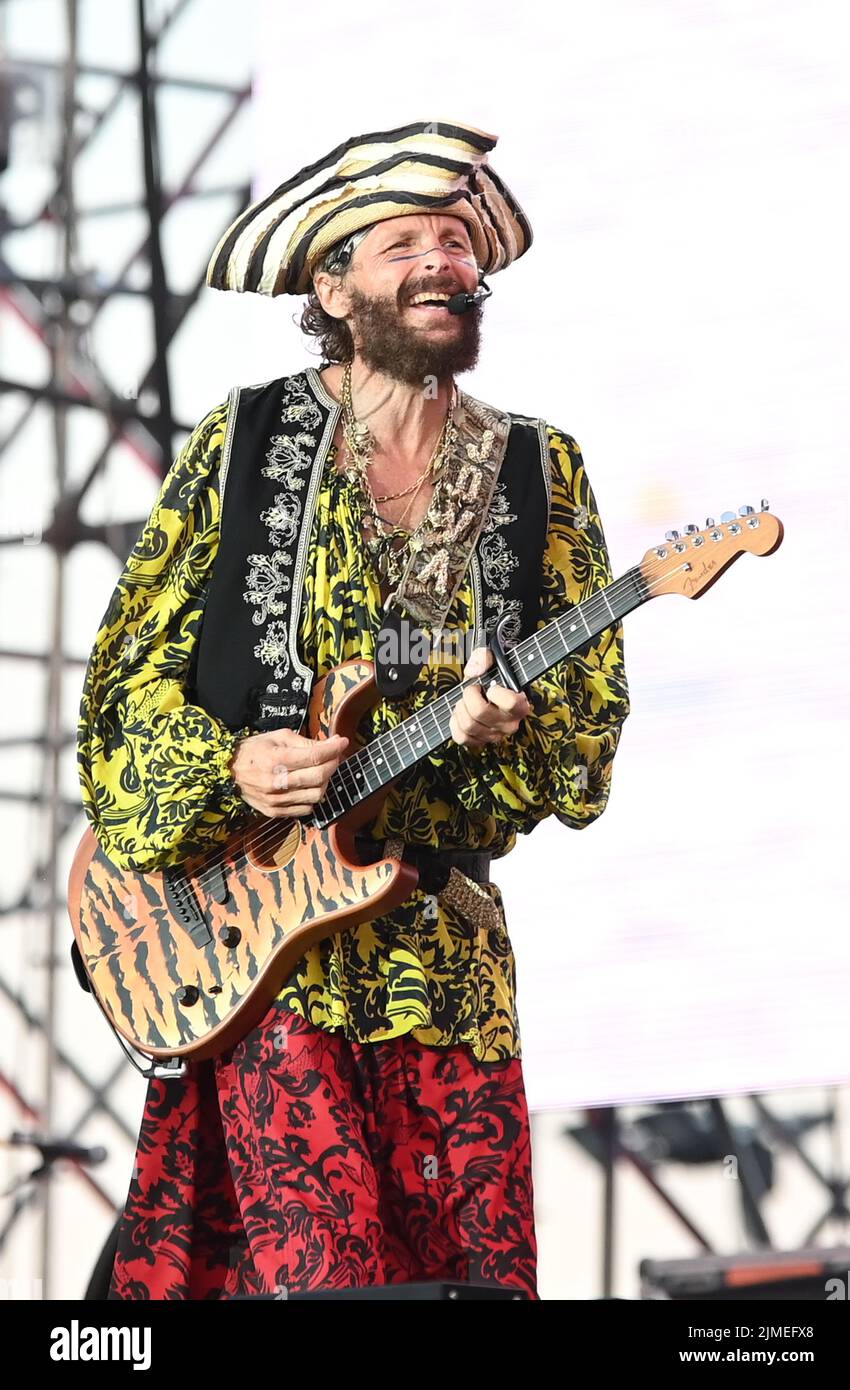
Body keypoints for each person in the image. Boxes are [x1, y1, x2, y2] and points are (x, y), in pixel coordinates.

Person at [76, 119, 630, 1300]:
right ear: (332, 284)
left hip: (449, 971)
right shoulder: (239, 445)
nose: (443, 258)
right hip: (271, 971)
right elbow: (121, 691)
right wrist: (233, 766)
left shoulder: (541, 468)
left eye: (458, 240)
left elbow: (586, 739)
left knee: (473, 1288)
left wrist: (509, 734)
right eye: (404, 241)